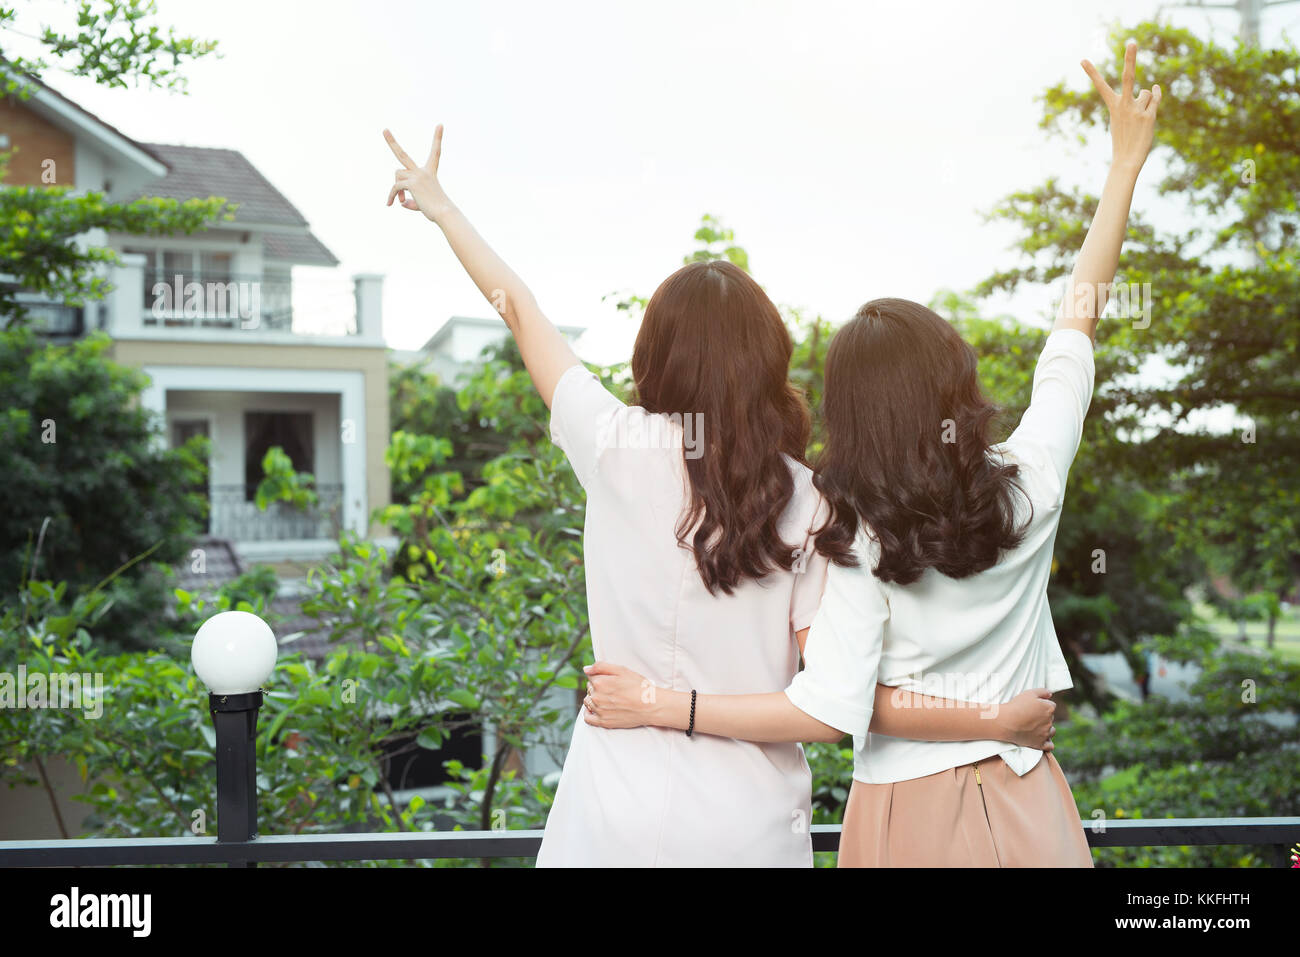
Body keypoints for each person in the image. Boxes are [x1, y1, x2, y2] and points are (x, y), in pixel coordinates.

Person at [382, 127, 1056, 866]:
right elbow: (823, 708)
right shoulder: (813, 500)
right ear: (769, 360)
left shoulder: (611, 445)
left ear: (654, 355)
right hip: (749, 828)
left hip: (611, 819)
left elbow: (519, 310)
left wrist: (443, 209)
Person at [581, 41, 1163, 867]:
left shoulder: (850, 536)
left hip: (900, 810)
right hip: (1027, 791)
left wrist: (662, 702)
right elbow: (1079, 318)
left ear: (850, 417)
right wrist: (1124, 168)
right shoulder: (1032, 482)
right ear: (955, 380)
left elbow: (843, 705)